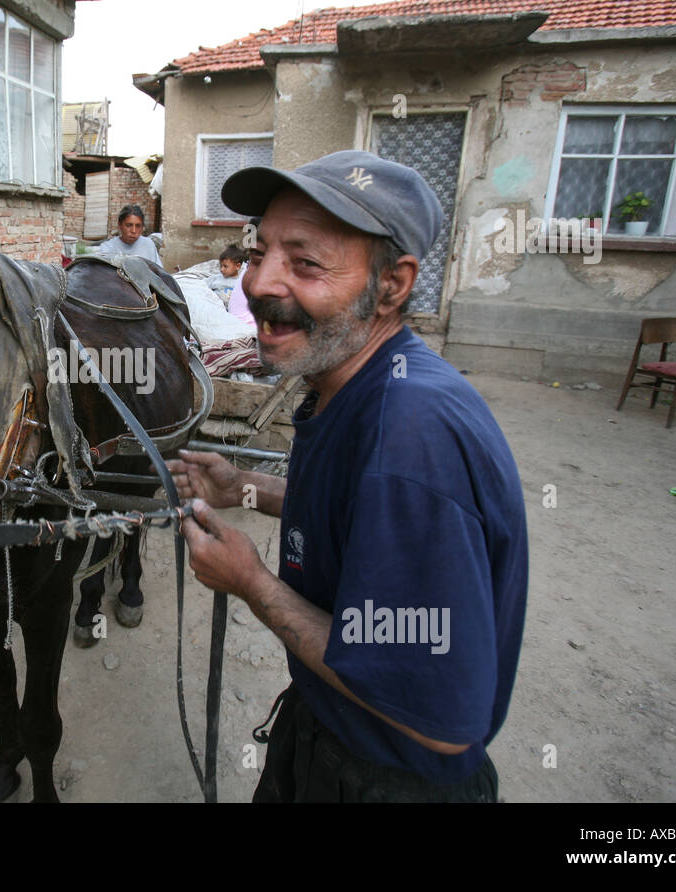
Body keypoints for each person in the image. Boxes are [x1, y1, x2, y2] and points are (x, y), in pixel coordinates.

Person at [167, 150, 527, 802]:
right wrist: (242, 486)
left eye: (305, 264)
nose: (258, 284)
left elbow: (438, 716)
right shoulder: (348, 383)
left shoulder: (413, 439)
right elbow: (349, 510)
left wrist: (251, 583)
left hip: (384, 779)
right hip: (322, 729)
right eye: (258, 253)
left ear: (392, 286)